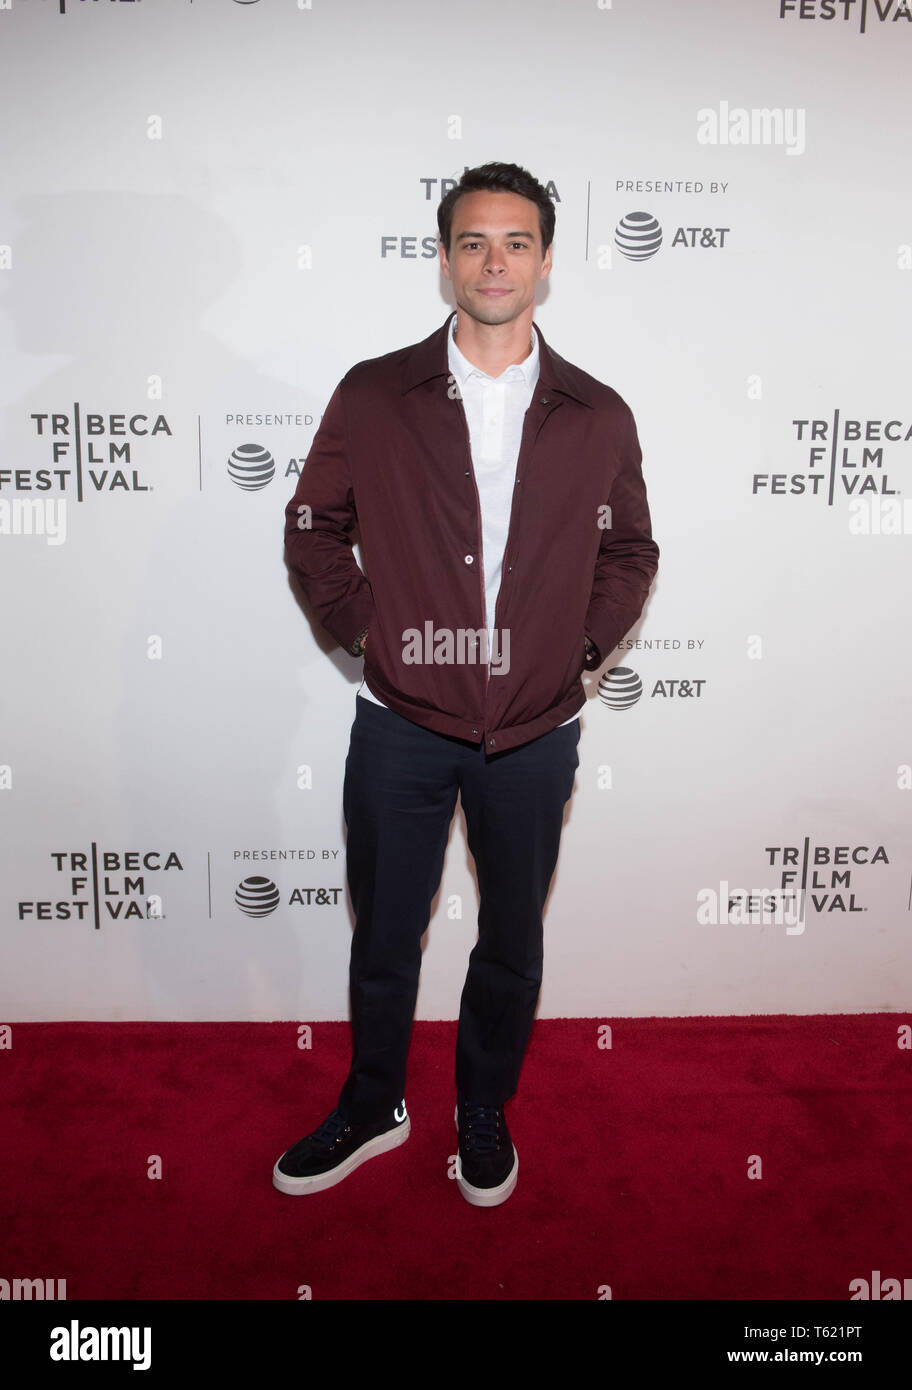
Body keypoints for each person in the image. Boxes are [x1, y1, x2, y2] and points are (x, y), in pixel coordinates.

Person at [276, 162, 658, 1206]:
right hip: (400, 718)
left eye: (517, 242)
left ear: (545, 261)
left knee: (512, 934)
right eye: (475, 242)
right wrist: (373, 639)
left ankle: (483, 1105)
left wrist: (577, 652)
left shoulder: (597, 412)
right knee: (386, 923)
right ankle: (373, 1101)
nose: (496, 261)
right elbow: (313, 527)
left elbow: (630, 548)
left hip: (537, 727)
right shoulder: (373, 391)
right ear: (444, 261)